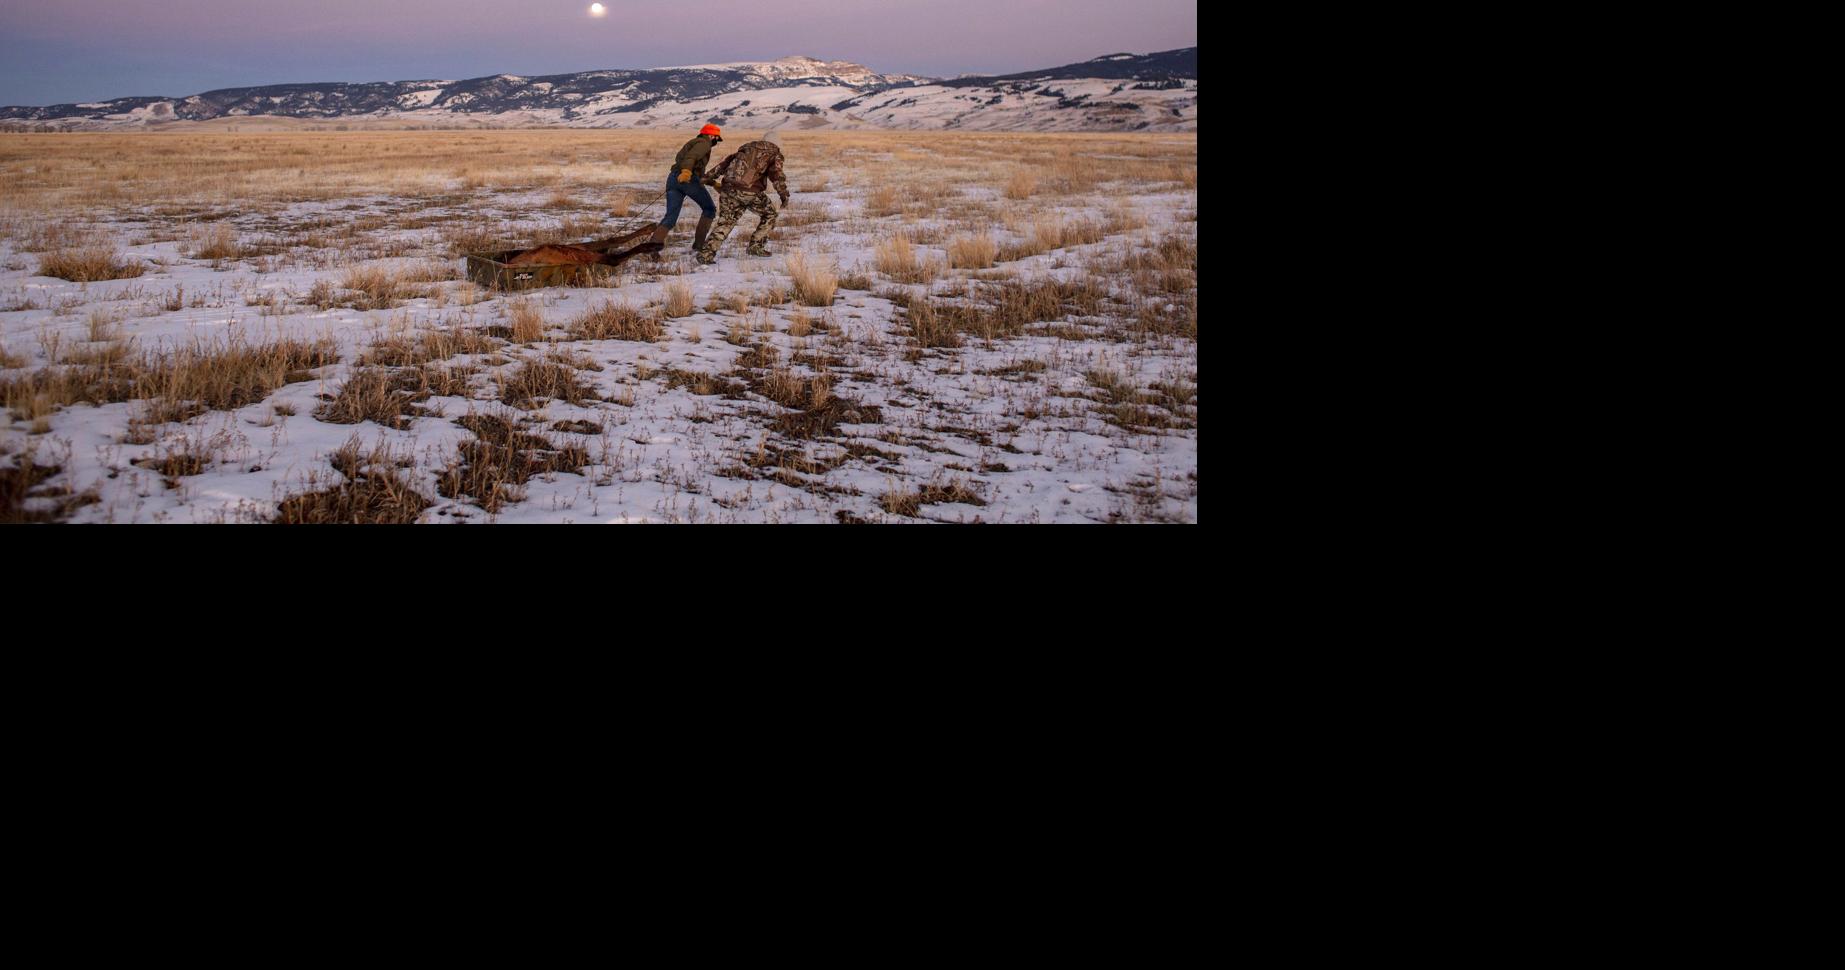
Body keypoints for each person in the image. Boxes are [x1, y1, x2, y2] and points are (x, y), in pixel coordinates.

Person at [695, 131, 790, 264]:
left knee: (726, 223)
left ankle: (705, 255)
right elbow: (777, 176)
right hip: (749, 192)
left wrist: (705, 178)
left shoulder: (745, 149)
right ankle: (756, 246)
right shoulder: (774, 153)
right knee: (770, 215)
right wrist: (784, 195)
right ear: (777, 143)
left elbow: (722, 166)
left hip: (728, 190)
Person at [651, 124, 723, 251]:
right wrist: (686, 173)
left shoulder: (694, 142)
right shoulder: (704, 143)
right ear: (712, 136)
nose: (716, 141)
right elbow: (691, 158)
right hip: (687, 179)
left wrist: (713, 183)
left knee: (670, 217)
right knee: (709, 209)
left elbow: (696, 168)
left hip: (673, 178)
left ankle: (651, 248)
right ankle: (699, 246)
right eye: (716, 138)